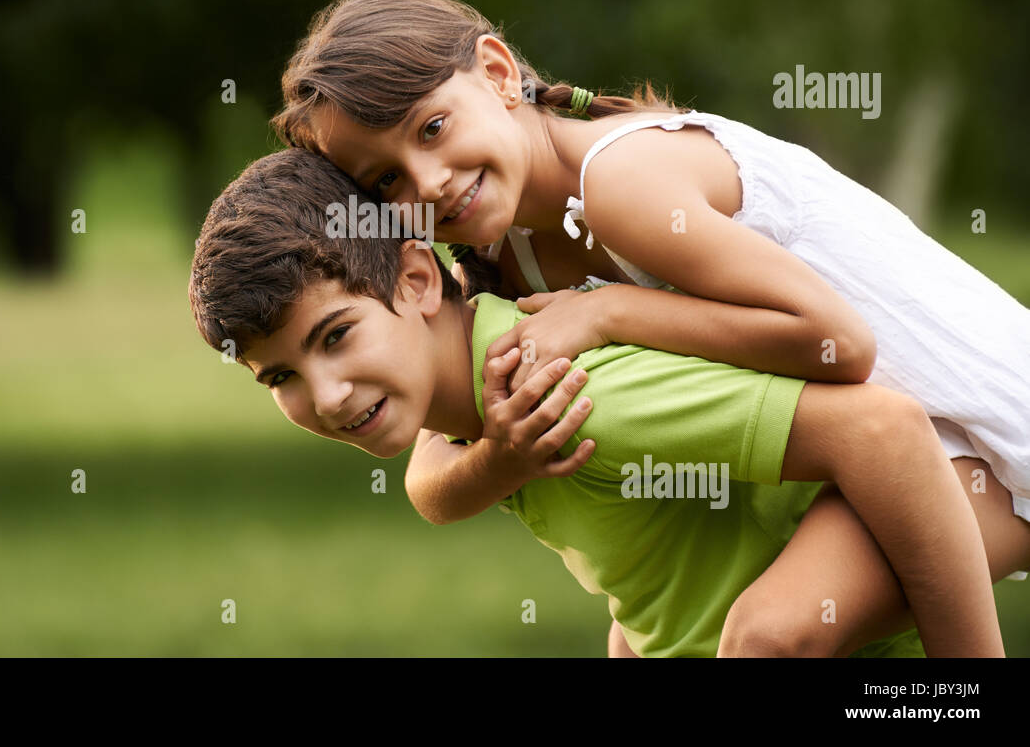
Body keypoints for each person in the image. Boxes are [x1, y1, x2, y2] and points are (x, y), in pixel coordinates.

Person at [270, 0, 1030, 654]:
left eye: (432, 128)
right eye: (387, 179)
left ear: (498, 73)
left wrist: (609, 312)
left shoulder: (620, 183)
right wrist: (502, 457)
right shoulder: (510, 256)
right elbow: (431, 481)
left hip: (985, 441)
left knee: (770, 630)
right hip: (885, 454)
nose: (429, 182)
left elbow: (840, 345)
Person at [188, 148, 1029, 656]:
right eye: (280, 377)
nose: (327, 395)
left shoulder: (566, 387)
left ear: (416, 278)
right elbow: (649, 579)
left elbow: (881, 426)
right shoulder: (491, 421)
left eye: (335, 336)